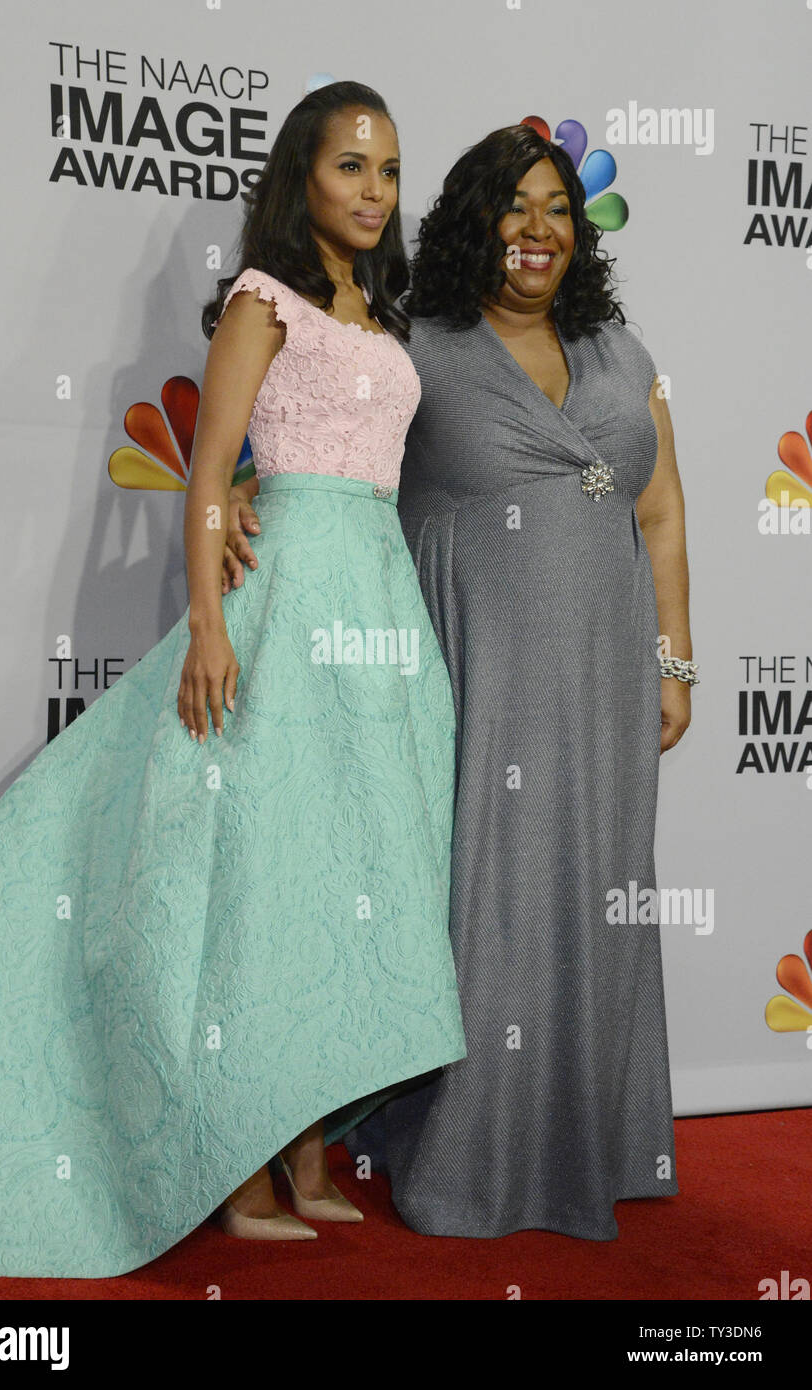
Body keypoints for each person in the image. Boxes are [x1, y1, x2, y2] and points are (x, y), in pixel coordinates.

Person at [0, 80, 466, 1278]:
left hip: (377, 600)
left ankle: (312, 1150)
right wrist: (210, 626)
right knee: (258, 882)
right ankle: (234, 1164)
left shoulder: (385, 318)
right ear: (300, 181)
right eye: (348, 169)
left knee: (349, 875)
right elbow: (211, 475)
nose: (373, 193)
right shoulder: (260, 305)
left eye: (386, 170)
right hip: (282, 611)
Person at [225, 122, 694, 1240]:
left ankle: (592, 1138)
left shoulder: (626, 351)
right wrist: (246, 494)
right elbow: (325, 433)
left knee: (596, 896)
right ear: (472, 224)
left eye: (557, 208)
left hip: (607, 681)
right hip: (473, 676)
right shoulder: (420, 342)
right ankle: (461, 1150)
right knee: (478, 904)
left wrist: (674, 660)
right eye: (512, 206)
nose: (537, 230)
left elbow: (664, 512)